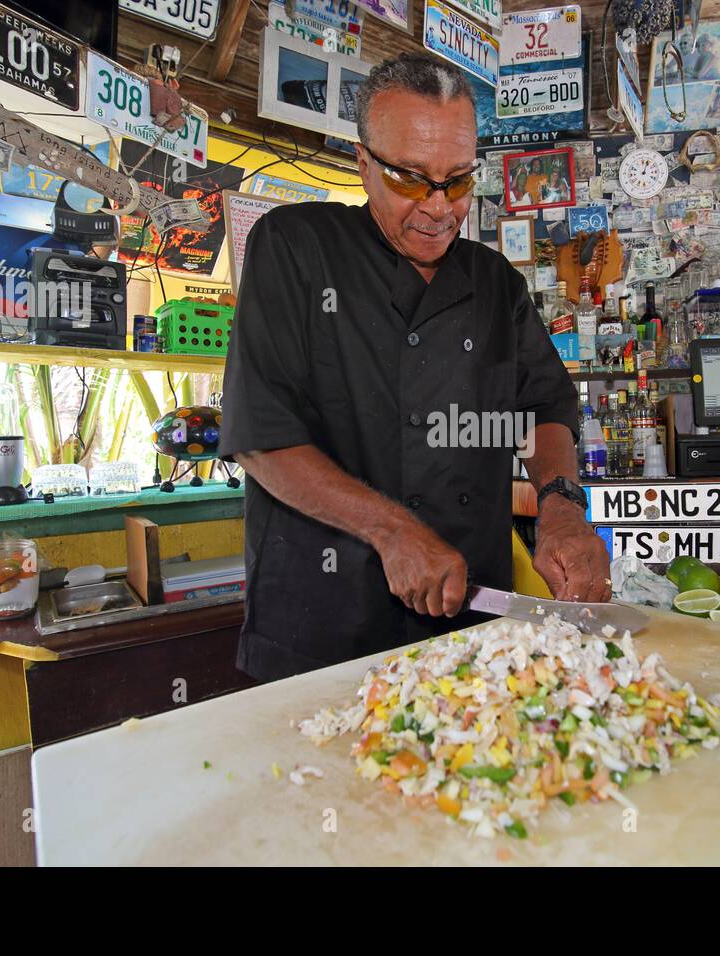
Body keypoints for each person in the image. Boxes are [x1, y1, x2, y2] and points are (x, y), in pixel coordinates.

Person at [219, 53, 610, 682]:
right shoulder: (294, 246)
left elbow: (545, 407)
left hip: (468, 623)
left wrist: (562, 506)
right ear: (363, 163)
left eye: (458, 180)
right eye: (411, 178)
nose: (438, 207)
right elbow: (261, 434)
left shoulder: (494, 282)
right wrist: (394, 530)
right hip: (322, 625)